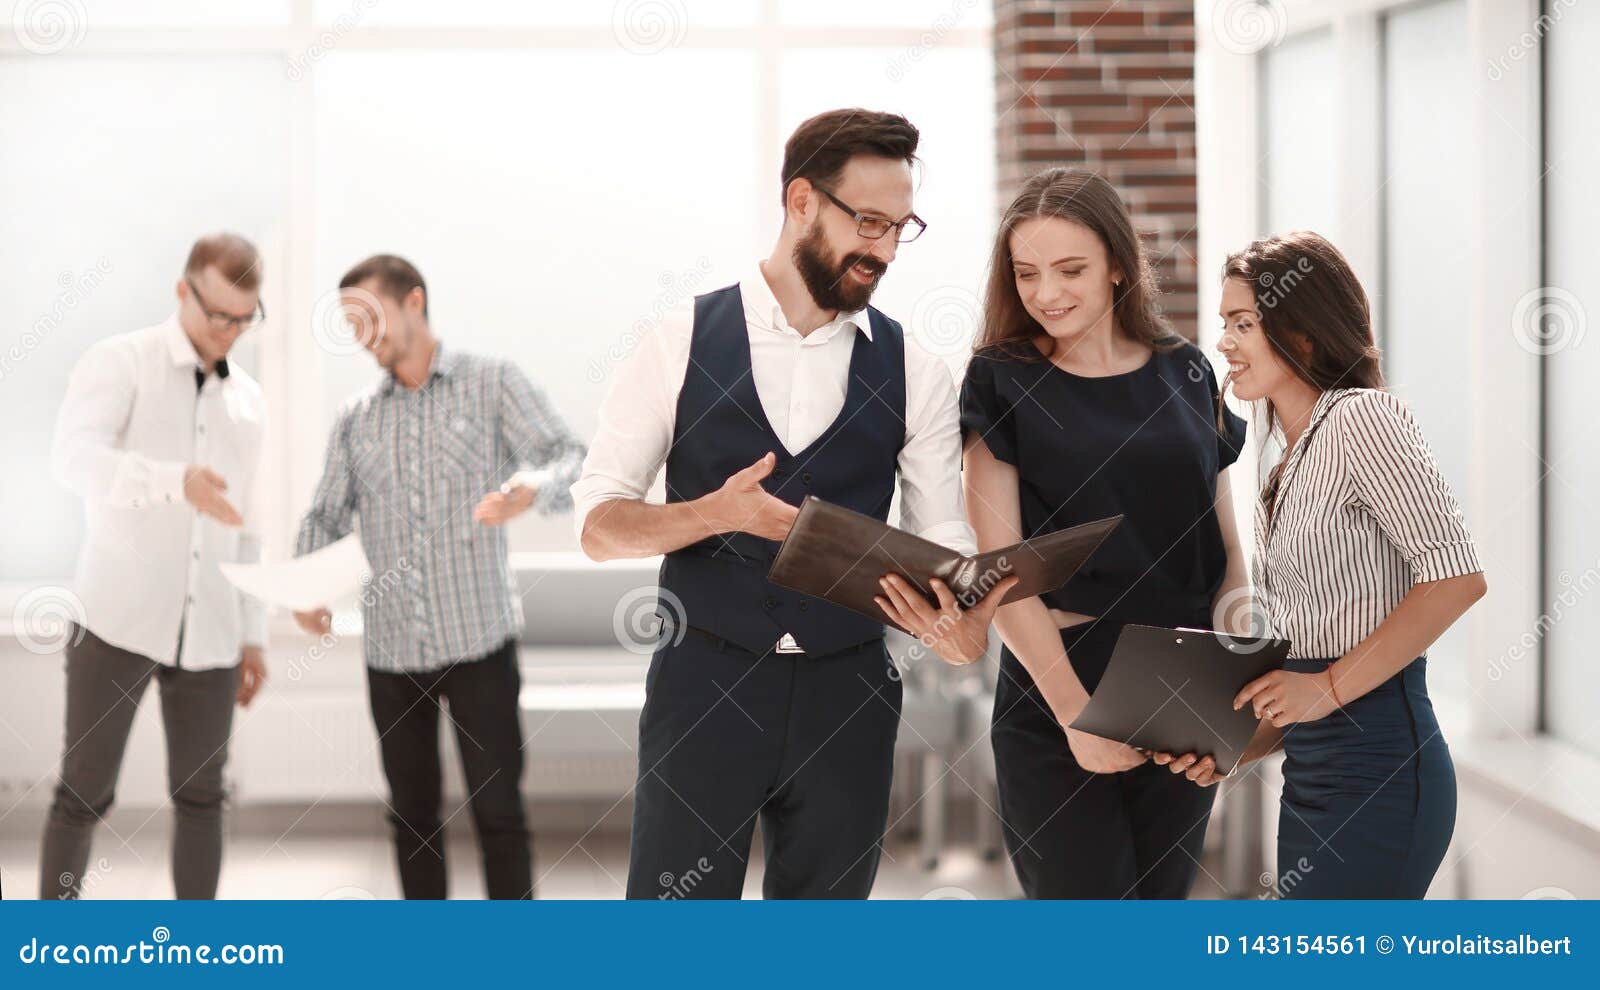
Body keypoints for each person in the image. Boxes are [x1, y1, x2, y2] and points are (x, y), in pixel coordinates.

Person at [573, 108, 1013, 899]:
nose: (884, 249)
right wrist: (716, 513)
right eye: (868, 222)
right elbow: (600, 528)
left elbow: (942, 532)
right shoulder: (679, 339)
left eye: (900, 228)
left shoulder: (916, 368)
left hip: (850, 697)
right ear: (801, 201)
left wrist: (961, 621)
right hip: (704, 689)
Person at [1158, 230, 1486, 900]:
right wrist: (1232, 750)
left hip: (1380, 773)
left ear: (1303, 334)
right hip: (1314, 778)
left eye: (1243, 323)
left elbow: (1457, 578)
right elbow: (1307, 675)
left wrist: (1326, 688)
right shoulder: (1287, 463)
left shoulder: (1364, 418)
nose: (1224, 342)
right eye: (1225, 324)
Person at [959, 167, 1249, 899]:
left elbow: (1225, 545)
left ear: (1118, 266)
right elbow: (999, 566)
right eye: (1026, 273)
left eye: (1070, 269)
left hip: (1183, 676)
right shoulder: (999, 378)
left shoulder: (1187, 370)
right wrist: (1073, 714)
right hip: (1062, 675)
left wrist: (1228, 682)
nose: (1046, 293)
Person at [292, 255, 587, 899]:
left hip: (480, 642)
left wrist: (531, 488)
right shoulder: (356, 418)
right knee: (412, 821)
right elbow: (324, 514)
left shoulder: (492, 383)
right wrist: (305, 586)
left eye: (370, 317)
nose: (361, 336)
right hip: (392, 653)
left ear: (414, 302)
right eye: (350, 325)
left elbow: (571, 456)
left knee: (499, 814)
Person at [42, 232, 270, 899]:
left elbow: (247, 527)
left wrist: (254, 633)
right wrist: (174, 482)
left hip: (212, 632)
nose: (229, 332)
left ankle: (198, 947)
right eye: (218, 314)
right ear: (182, 291)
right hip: (117, 620)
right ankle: (49, 941)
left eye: (244, 319)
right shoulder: (121, 362)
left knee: (203, 798)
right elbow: (72, 461)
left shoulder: (248, 402)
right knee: (84, 793)